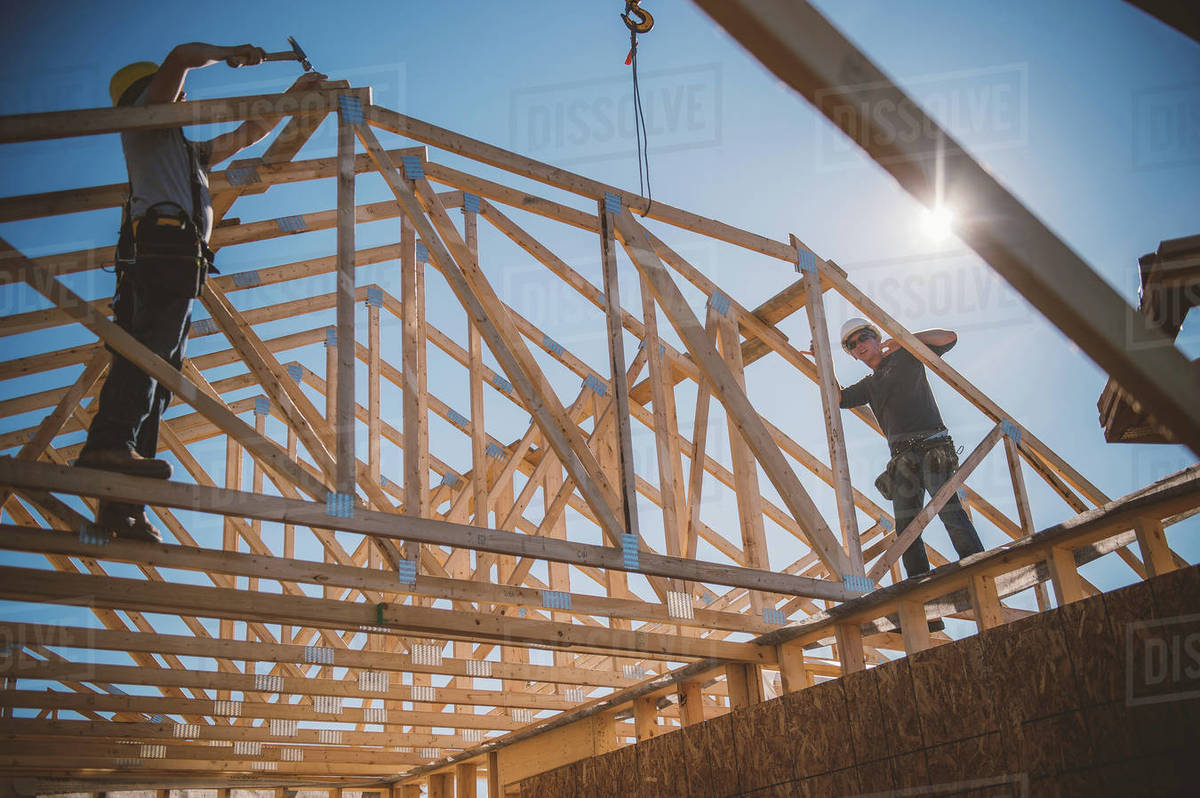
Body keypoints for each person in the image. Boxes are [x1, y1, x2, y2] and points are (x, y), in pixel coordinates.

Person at [76, 44, 326, 542]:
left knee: (161, 373)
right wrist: (230, 54)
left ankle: (123, 499)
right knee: (146, 356)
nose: (184, 99)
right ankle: (108, 447)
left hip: (181, 261)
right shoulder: (145, 125)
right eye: (177, 93)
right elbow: (178, 57)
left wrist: (291, 97)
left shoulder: (185, 153)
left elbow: (246, 134)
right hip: (161, 252)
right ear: (145, 95)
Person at [835, 318, 985, 588]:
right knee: (906, 529)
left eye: (864, 338)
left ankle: (977, 568)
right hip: (903, 458)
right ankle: (920, 591)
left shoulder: (906, 356)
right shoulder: (869, 385)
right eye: (852, 345)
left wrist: (904, 338)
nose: (859, 346)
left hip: (932, 445)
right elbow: (838, 399)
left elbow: (949, 336)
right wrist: (820, 362)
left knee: (946, 506)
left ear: (876, 338)